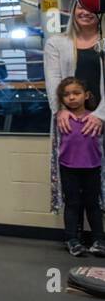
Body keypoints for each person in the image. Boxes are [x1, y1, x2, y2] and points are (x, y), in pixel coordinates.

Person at [44, 0, 105, 248]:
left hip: (101, 121)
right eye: (81, 7)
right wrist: (60, 110)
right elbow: (53, 79)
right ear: (73, 10)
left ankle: (99, 239)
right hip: (70, 125)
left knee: (95, 189)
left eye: (92, 8)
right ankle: (73, 237)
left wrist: (100, 115)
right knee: (72, 190)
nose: (85, 12)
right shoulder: (56, 43)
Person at [53, 77, 105, 256]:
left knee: (93, 205)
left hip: (93, 168)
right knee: (73, 204)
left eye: (76, 93)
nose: (72, 98)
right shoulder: (61, 119)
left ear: (86, 95)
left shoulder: (96, 119)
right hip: (69, 169)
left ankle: (99, 240)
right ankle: (71, 239)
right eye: (66, 95)